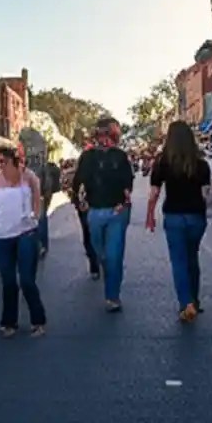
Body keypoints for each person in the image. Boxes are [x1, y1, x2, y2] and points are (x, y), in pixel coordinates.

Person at [145, 121, 211, 323]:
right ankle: (195, 298)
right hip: (196, 216)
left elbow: (154, 193)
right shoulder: (201, 163)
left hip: (174, 215)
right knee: (192, 258)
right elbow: (206, 193)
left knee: (179, 260)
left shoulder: (163, 162)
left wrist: (150, 216)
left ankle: (186, 302)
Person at [70, 117, 135, 312]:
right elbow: (78, 183)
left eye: (108, 134)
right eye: (101, 134)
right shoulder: (87, 157)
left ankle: (112, 296)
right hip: (95, 212)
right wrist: (81, 203)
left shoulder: (121, 156)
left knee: (114, 255)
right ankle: (105, 267)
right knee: (102, 253)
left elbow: (127, 183)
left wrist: (124, 201)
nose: (104, 139)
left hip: (117, 212)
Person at [0, 147, 47, 337]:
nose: (0, 165)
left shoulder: (29, 177)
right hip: (2, 235)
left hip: (26, 233)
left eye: (3, 161)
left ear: (13, 161)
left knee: (27, 280)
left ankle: (38, 320)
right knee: (8, 281)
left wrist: (34, 217)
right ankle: (9, 322)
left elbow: (38, 199)